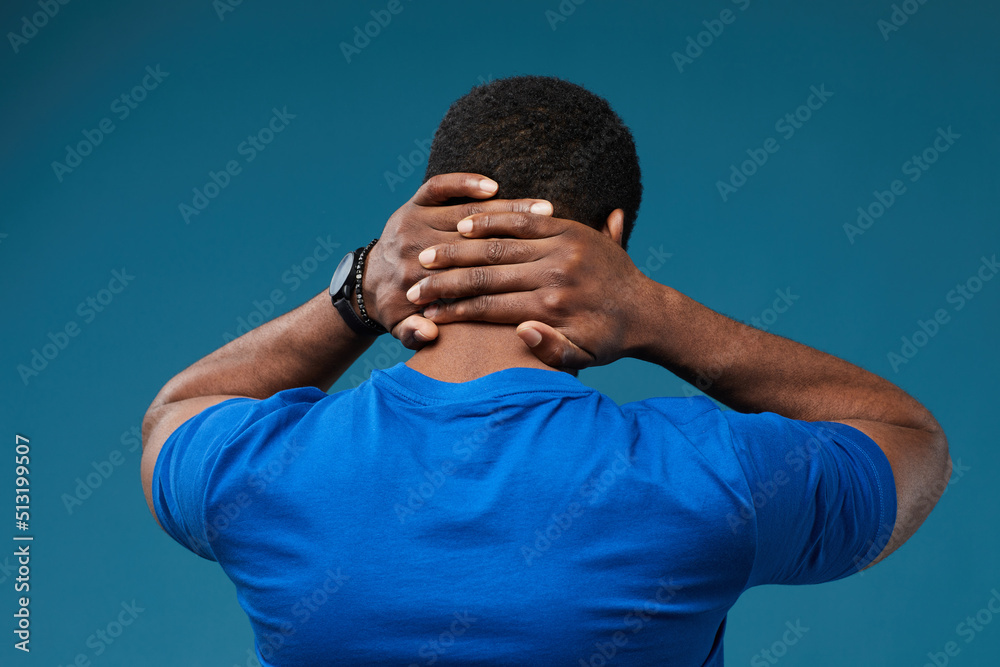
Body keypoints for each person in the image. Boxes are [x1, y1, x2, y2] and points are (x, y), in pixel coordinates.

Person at [140, 76, 951, 666]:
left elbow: (180, 407)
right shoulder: (708, 475)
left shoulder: (255, 470)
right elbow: (911, 442)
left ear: (423, 231)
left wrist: (358, 290)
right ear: (613, 233)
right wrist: (655, 312)